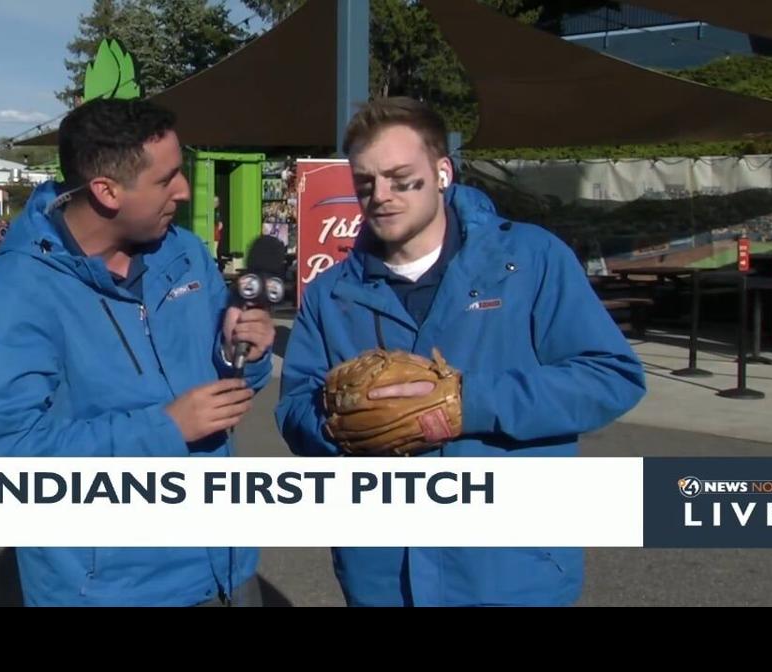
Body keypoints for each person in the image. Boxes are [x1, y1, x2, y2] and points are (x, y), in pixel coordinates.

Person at [275, 97, 646, 607]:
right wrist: (343, 421)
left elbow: (611, 377)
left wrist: (466, 404)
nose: (380, 195)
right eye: (366, 182)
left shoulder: (529, 261)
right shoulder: (330, 294)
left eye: (400, 178)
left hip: (513, 570)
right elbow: (295, 407)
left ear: (443, 171)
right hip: (384, 577)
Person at [0, 98, 276, 607]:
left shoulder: (185, 252)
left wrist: (243, 351)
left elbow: (229, 386)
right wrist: (167, 429)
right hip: (112, 589)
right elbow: (11, 462)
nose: (185, 191)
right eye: (166, 179)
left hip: (227, 565)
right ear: (106, 191)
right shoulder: (8, 296)